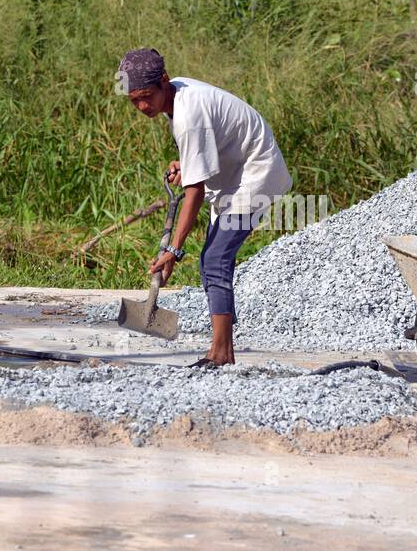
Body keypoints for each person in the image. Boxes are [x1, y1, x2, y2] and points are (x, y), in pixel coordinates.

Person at [119, 48, 291, 367]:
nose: (142, 106)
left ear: (164, 81)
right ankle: (221, 350)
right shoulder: (177, 96)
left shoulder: (189, 116)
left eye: (146, 97)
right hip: (234, 174)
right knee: (210, 261)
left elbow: (194, 193)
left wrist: (173, 248)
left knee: (215, 258)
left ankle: (222, 355)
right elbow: (206, 151)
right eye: (134, 101)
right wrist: (187, 165)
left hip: (256, 174)